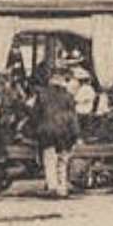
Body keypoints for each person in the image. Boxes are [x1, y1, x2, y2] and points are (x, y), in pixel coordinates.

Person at [31, 62, 81, 200]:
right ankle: (62, 188)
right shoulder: (68, 97)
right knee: (62, 160)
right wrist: (76, 134)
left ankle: (52, 187)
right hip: (65, 132)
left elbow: (35, 114)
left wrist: (35, 129)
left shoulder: (42, 95)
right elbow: (73, 117)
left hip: (47, 131)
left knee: (49, 158)